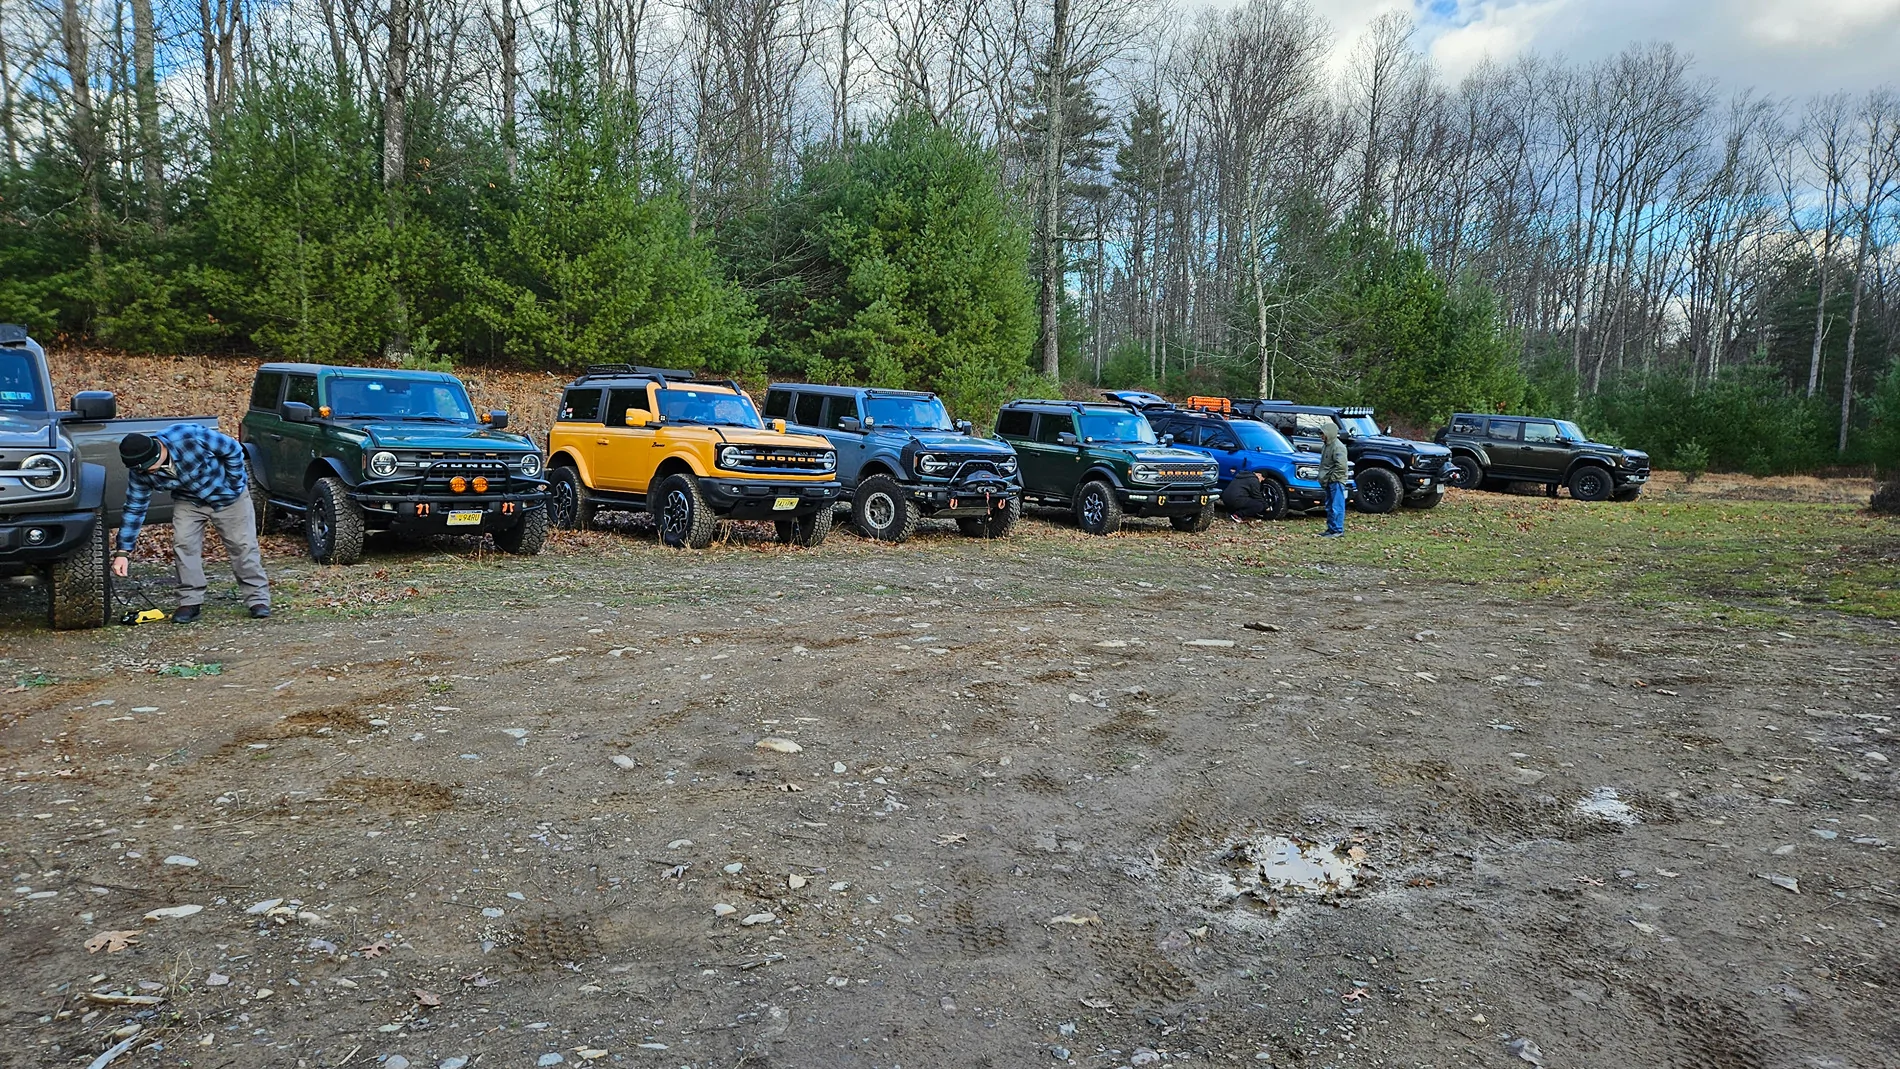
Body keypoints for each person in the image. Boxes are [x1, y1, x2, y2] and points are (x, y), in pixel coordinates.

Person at [114, 426, 271, 623]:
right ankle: (189, 602)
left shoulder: (189, 436)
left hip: (229, 498)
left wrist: (234, 483)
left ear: (158, 451)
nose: (148, 472)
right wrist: (123, 552)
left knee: (243, 546)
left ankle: (258, 600)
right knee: (183, 545)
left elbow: (233, 449)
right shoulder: (140, 472)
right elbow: (135, 508)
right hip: (189, 501)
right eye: (142, 469)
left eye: (149, 466)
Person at [1318, 422, 1349, 538]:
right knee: (1329, 505)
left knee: (1337, 506)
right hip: (1328, 481)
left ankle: (1338, 530)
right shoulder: (1326, 445)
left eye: (1323, 433)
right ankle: (1331, 529)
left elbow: (1341, 466)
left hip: (1336, 481)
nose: (1321, 436)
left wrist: (1332, 478)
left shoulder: (1338, 447)